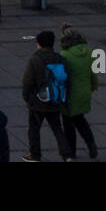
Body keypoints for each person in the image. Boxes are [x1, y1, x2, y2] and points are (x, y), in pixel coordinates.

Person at [21, 30, 71, 161]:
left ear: (39, 44)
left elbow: (27, 81)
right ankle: (66, 155)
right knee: (57, 128)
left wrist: (26, 97)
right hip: (55, 100)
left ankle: (35, 155)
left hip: (38, 101)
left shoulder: (35, 59)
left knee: (34, 129)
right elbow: (67, 80)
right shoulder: (60, 58)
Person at [60, 24, 99, 159]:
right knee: (80, 121)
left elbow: (62, 77)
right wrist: (94, 86)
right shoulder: (89, 52)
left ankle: (71, 151)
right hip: (84, 92)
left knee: (68, 124)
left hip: (70, 95)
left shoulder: (64, 55)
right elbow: (93, 73)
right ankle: (91, 144)